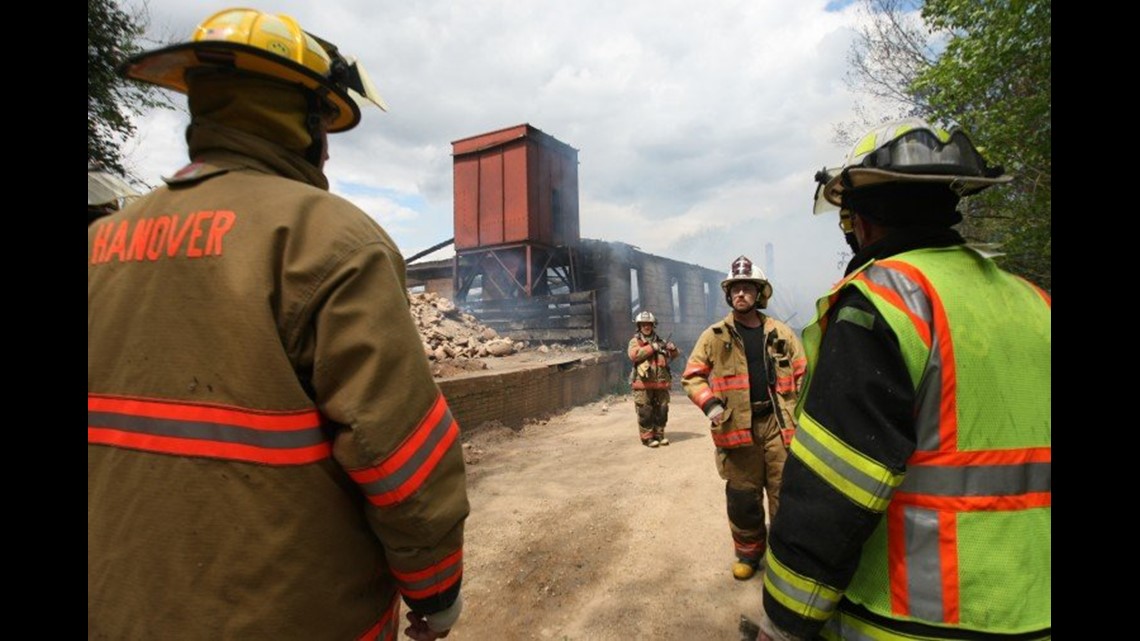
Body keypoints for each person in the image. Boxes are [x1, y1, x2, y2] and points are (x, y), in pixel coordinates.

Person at [88, 9, 468, 641]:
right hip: (295, 615)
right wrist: (436, 590)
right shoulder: (327, 240)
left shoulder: (101, 243)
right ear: (307, 121)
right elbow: (399, 456)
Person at [756, 118, 1051, 640]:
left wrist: (785, 617)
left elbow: (834, 487)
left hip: (918, 621)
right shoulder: (1035, 303)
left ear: (861, 224)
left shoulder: (882, 304)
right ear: (951, 204)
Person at [682, 256, 806, 581]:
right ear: (729, 294)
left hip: (778, 426)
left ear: (759, 294)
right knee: (743, 496)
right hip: (737, 428)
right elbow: (692, 376)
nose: (741, 294)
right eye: (735, 288)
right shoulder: (714, 335)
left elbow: (803, 374)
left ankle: (783, 560)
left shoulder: (781, 333)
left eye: (747, 288)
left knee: (784, 495)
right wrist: (711, 406)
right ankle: (748, 555)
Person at [627, 310, 680, 447]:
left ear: (653, 325)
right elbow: (635, 355)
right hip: (643, 385)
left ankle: (659, 435)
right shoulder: (635, 342)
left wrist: (673, 349)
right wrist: (652, 347)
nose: (646, 327)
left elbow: (673, 355)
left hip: (660, 384)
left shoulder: (660, 341)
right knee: (645, 411)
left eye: (649, 324)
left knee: (662, 410)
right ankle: (647, 438)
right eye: (643, 324)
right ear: (639, 326)